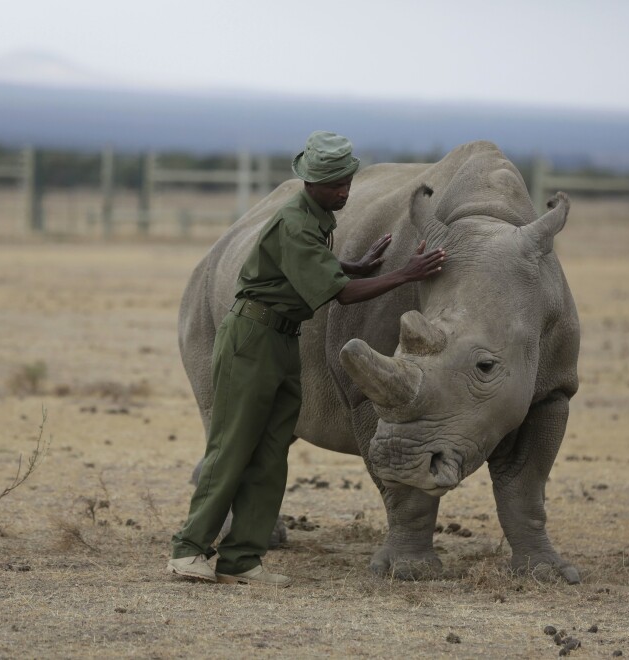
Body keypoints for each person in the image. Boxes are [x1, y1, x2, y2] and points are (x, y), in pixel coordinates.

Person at [167, 131, 445, 586]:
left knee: (271, 452)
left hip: (283, 338)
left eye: (347, 181)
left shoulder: (318, 218)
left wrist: (355, 265)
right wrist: (404, 274)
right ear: (309, 182)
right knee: (233, 447)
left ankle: (242, 559)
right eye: (334, 185)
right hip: (252, 338)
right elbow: (341, 295)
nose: (344, 192)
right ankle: (189, 550)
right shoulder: (295, 221)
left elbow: (305, 267)